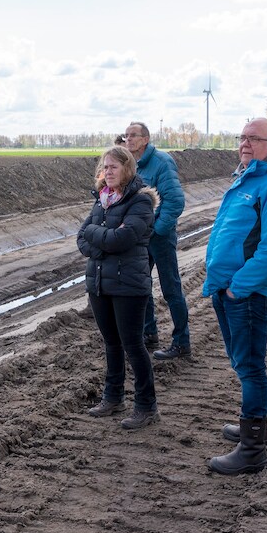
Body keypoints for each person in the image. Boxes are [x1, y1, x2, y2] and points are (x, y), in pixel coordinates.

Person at [202, 118, 267, 475]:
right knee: (241, 362)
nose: (245, 144)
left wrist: (238, 286)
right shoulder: (247, 178)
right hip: (229, 289)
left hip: (248, 293)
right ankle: (251, 425)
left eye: (253, 139)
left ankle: (253, 448)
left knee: (250, 367)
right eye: (242, 138)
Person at [77, 145, 161, 430]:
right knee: (111, 344)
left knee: (133, 345)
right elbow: (82, 240)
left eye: (114, 166)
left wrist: (98, 238)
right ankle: (113, 397)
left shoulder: (140, 202)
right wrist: (103, 242)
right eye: (105, 166)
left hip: (129, 285)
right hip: (99, 282)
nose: (108, 171)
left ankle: (146, 406)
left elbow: (120, 240)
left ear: (127, 169)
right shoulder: (102, 199)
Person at [121, 122, 191, 359]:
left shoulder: (162, 162)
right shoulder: (131, 165)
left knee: (171, 288)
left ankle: (182, 342)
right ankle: (148, 332)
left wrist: (156, 230)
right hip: (141, 238)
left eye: (133, 136)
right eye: (126, 135)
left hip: (160, 236)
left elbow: (175, 202)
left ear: (146, 139)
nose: (128, 139)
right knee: (142, 286)